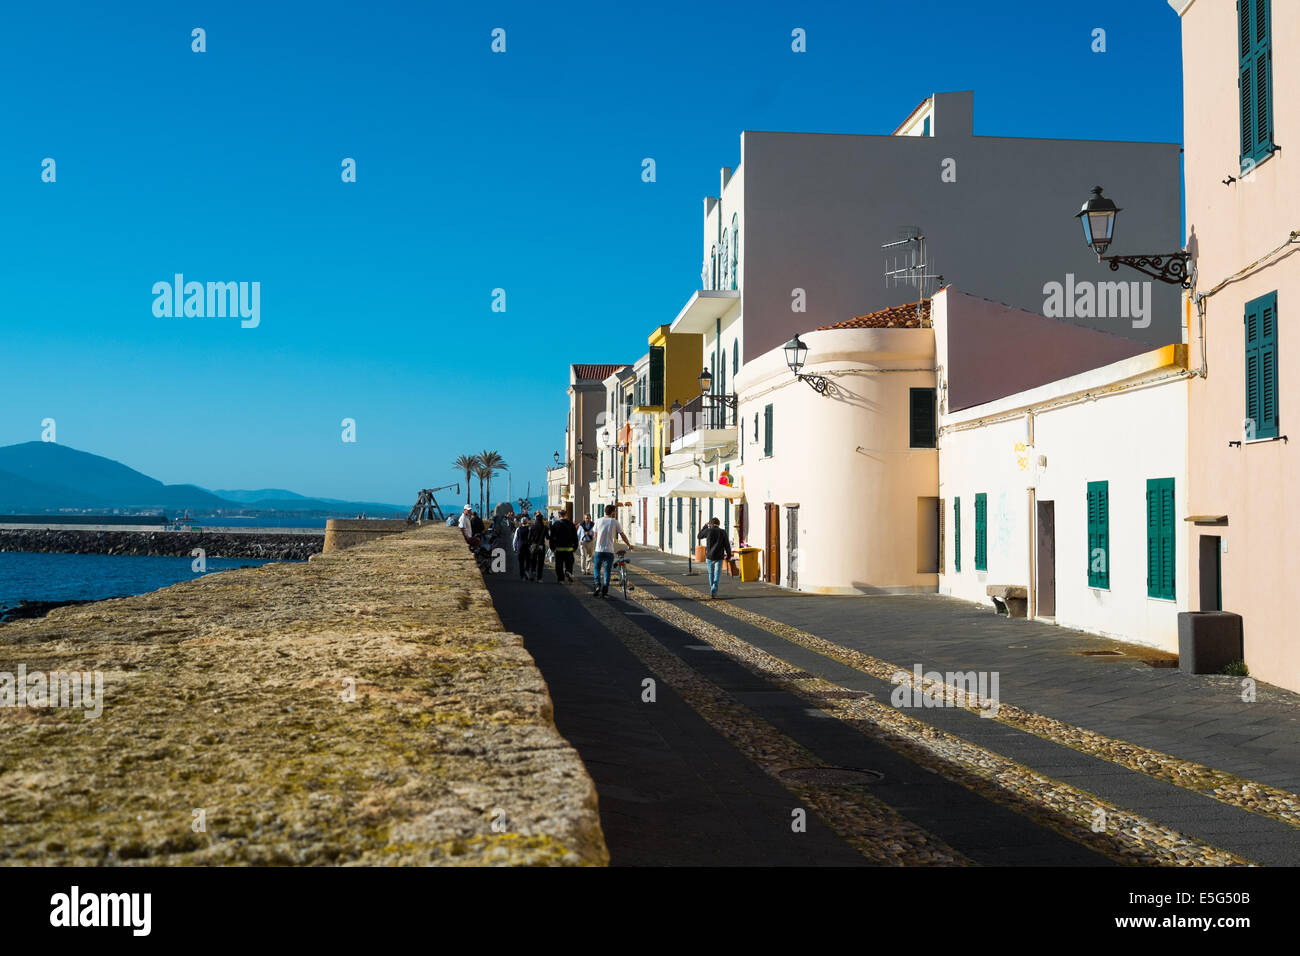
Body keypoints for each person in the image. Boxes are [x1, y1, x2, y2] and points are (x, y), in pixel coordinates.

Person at [591, 504, 632, 597]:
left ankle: (597, 584)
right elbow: (622, 535)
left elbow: (595, 535)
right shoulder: (614, 522)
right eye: (615, 510)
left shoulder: (598, 521)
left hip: (599, 549)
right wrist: (628, 544)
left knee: (596, 568)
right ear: (613, 512)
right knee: (607, 570)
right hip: (609, 550)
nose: (616, 512)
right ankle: (605, 587)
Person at [697, 516, 733, 599]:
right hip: (719, 556)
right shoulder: (723, 532)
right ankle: (714, 589)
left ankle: (712, 590)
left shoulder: (708, 531)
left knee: (711, 574)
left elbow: (699, 536)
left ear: (711, 524)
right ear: (719, 524)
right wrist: (729, 555)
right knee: (717, 574)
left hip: (709, 556)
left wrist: (705, 527)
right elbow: (727, 545)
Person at [550, 510, 579, 583]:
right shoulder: (571, 524)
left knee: (559, 565)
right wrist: (575, 547)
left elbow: (552, 537)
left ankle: (561, 579)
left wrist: (552, 547)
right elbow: (575, 537)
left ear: (559, 516)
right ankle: (568, 572)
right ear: (566, 515)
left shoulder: (555, 524)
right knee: (569, 563)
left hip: (559, 549)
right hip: (569, 548)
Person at [526, 512, 549, 583]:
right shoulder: (545, 527)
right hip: (541, 546)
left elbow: (528, 538)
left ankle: (533, 572)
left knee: (533, 560)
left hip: (533, 545)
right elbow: (548, 538)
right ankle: (539, 578)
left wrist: (530, 545)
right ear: (542, 519)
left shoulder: (532, 527)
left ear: (536, 519)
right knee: (541, 562)